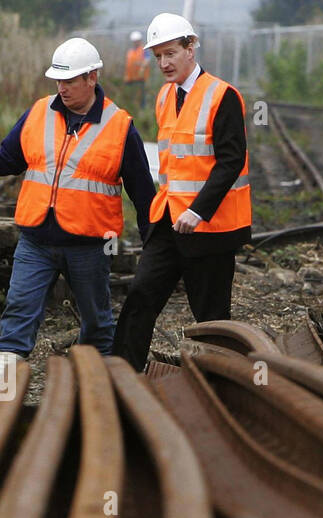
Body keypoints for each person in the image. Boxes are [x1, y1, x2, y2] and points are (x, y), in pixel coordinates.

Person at [0, 37, 154, 387]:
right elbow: (8, 159)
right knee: (18, 310)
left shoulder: (120, 126)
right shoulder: (38, 113)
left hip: (90, 245)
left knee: (96, 322)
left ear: (92, 77)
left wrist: (154, 242)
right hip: (35, 240)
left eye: (70, 81)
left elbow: (143, 193)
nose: (61, 88)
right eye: (58, 81)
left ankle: (95, 391)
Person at [113, 13, 253, 371]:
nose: (163, 63)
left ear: (192, 47)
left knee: (211, 317)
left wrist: (199, 210)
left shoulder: (223, 96)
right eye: (158, 56)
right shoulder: (164, 97)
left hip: (210, 228)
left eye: (171, 53)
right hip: (169, 220)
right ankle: (121, 374)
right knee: (141, 295)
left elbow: (231, 161)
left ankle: (222, 383)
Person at [123, 30, 150, 113]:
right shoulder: (130, 51)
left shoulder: (144, 50)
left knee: (142, 97)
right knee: (131, 96)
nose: (135, 42)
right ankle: (132, 110)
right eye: (134, 41)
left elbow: (147, 59)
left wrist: (142, 66)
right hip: (130, 79)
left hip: (140, 78)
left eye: (137, 41)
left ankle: (142, 112)